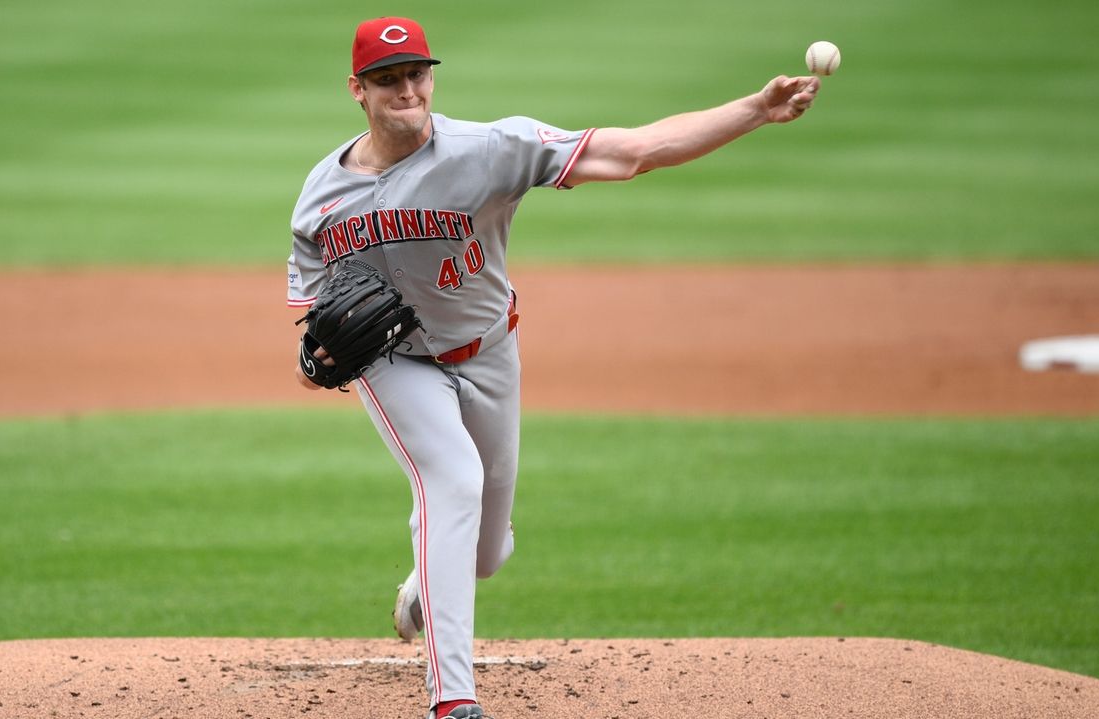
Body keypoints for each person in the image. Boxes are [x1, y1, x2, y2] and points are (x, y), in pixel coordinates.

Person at [286, 16, 820, 719]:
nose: (407, 89)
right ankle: (453, 699)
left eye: (416, 73)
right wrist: (312, 361)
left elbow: (633, 152)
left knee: (485, 553)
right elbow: (314, 328)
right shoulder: (322, 198)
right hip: (397, 364)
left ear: (431, 77)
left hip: (490, 352)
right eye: (388, 79)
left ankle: (424, 585)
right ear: (359, 89)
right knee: (452, 479)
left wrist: (754, 109)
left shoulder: (489, 150)